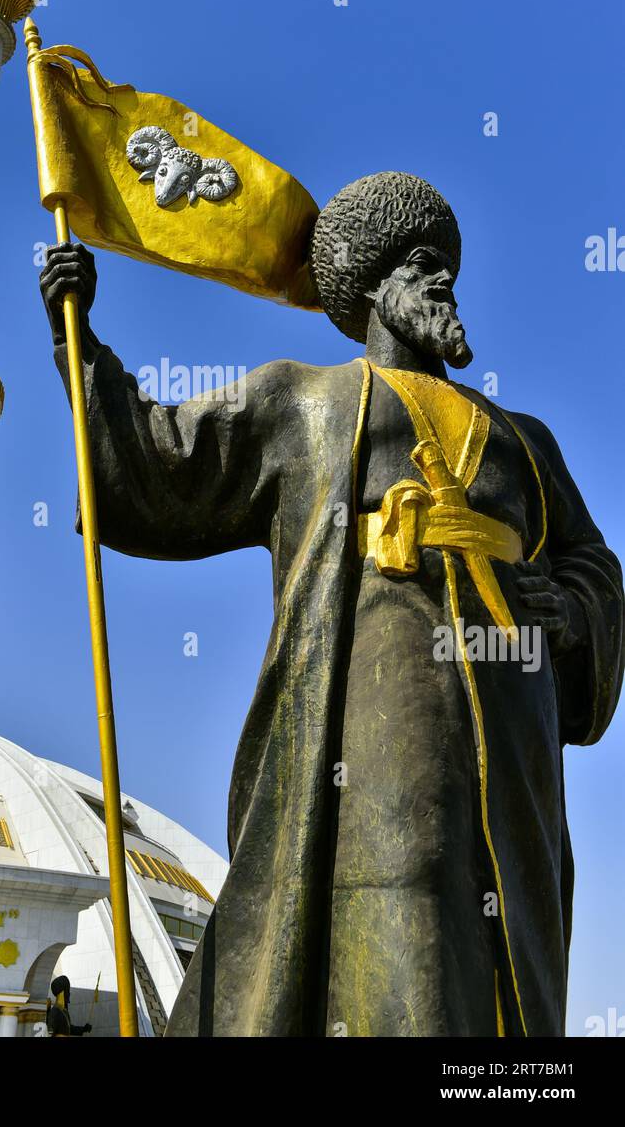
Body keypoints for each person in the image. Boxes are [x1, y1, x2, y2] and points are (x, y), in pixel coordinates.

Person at [40, 171, 623, 1038]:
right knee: (402, 877)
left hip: (513, 728)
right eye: (420, 264)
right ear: (373, 285)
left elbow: (593, 561)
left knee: (500, 915)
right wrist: (81, 344)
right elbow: (161, 459)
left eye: (447, 267)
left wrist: (572, 609)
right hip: (373, 710)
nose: (441, 281)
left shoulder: (523, 440)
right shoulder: (300, 401)